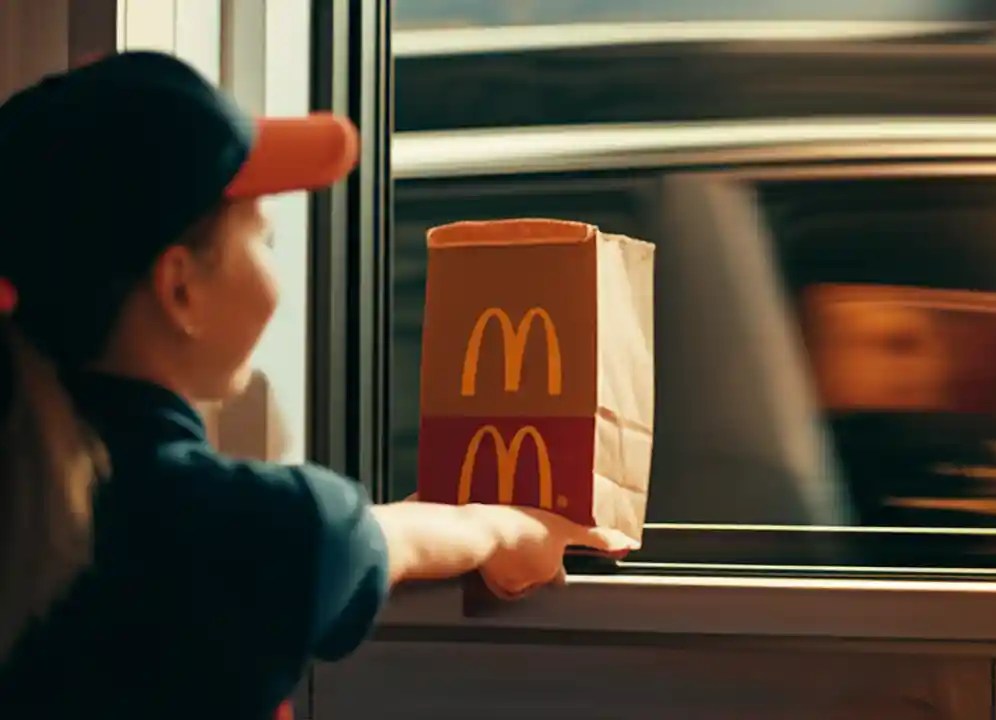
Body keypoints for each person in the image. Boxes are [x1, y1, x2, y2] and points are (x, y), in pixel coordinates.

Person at [0, 51, 632, 719]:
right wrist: (503, 527)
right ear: (179, 286)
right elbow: (363, 537)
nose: (277, 276)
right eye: (262, 240)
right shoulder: (236, 531)